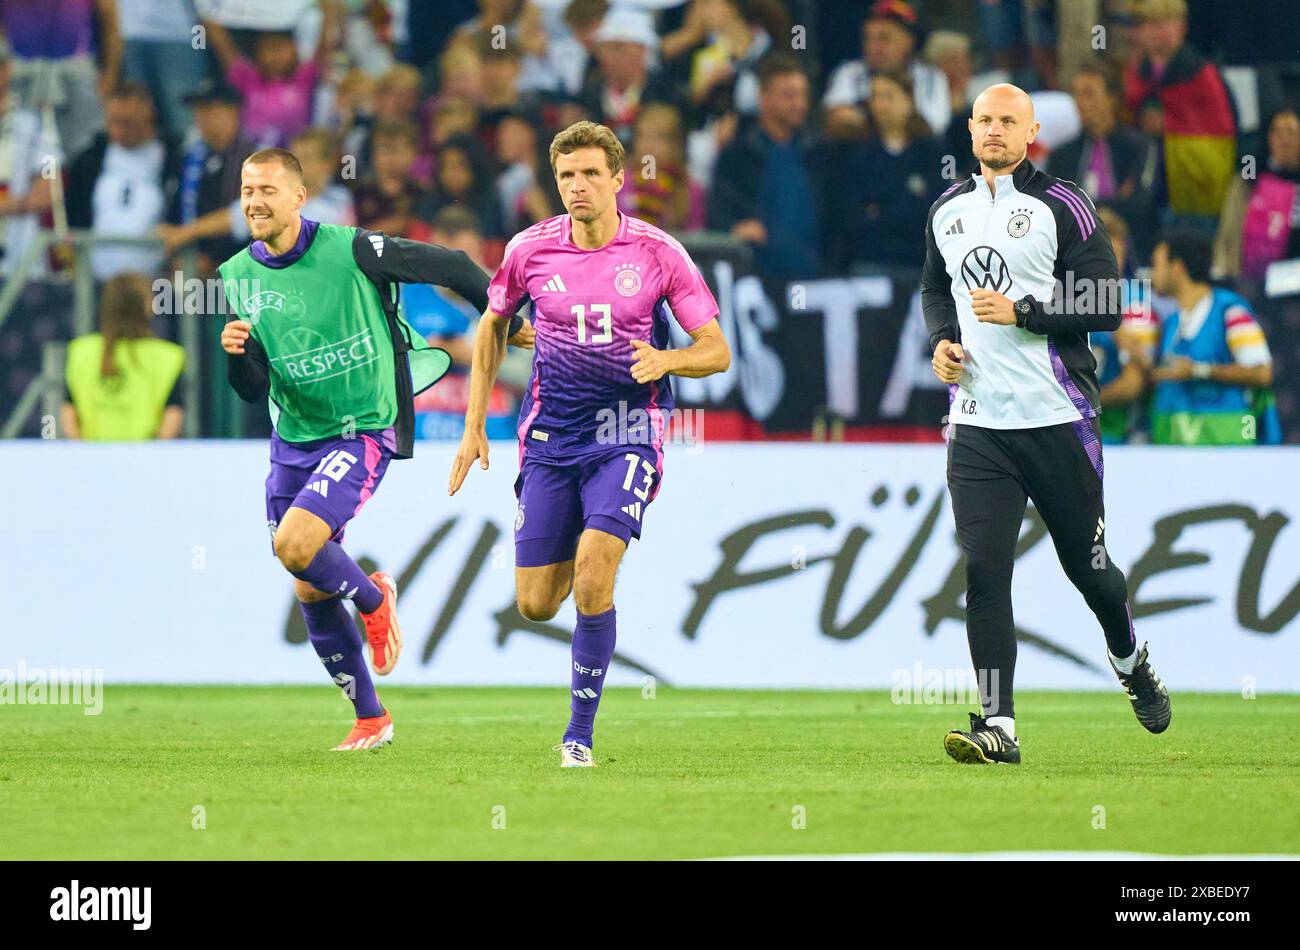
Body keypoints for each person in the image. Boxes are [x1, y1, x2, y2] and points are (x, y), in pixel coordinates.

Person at [217, 146, 527, 751]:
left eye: (268, 190)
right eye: (247, 190)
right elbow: (253, 389)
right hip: (294, 434)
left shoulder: (352, 248)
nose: (255, 201)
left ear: (299, 197)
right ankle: (371, 718)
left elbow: (454, 263)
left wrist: (507, 319)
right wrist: (239, 358)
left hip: (363, 424)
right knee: (306, 577)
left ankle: (373, 597)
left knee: (294, 543)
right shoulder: (238, 275)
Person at [448, 120, 731, 768]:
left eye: (590, 175)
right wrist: (471, 428)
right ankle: (578, 570)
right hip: (550, 437)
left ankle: (579, 736)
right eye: (567, 176)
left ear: (617, 181)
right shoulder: (529, 250)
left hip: (627, 433)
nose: (578, 186)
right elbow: (493, 329)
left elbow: (716, 350)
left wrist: (665, 360)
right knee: (535, 603)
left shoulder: (659, 253)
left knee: (595, 571)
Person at [921, 83, 1171, 766]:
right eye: (985, 120)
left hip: (1058, 418)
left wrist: (1024, 311)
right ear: (970, 131)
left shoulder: (1063, 205)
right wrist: (942, 340)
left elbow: (1108, 303)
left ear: (1032, 130)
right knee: (985, 570)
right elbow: (934, 289)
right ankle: (998, 725)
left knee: (1089, 572)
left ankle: (1129, 658)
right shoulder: (946, 209)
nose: (996, 130)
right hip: (977, 424)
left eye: (1009, 121)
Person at [1149, 228, 1279, 445]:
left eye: (1156, 265)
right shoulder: (1171, 323)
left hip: (1225, 451)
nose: (1152, 275)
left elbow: (1262, 373)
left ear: (1177, 267)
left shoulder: (1231, 312)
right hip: (1173, 454)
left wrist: (1199, 370)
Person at [62, 272, 185, 440]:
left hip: (90, 460)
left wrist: (82, 453)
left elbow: (68, 413)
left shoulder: (81, 351)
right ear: (148, 308)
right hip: (145, 461)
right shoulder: (168, 356)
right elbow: (173, 415)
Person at [1213, 108, 1300, 281]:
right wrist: (1221, 265)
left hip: (1291, 277)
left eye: (1291, 132)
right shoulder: (1251, 172)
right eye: (1277, 131)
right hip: (1245, 274)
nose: (1284, 139)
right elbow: (1229, 223)